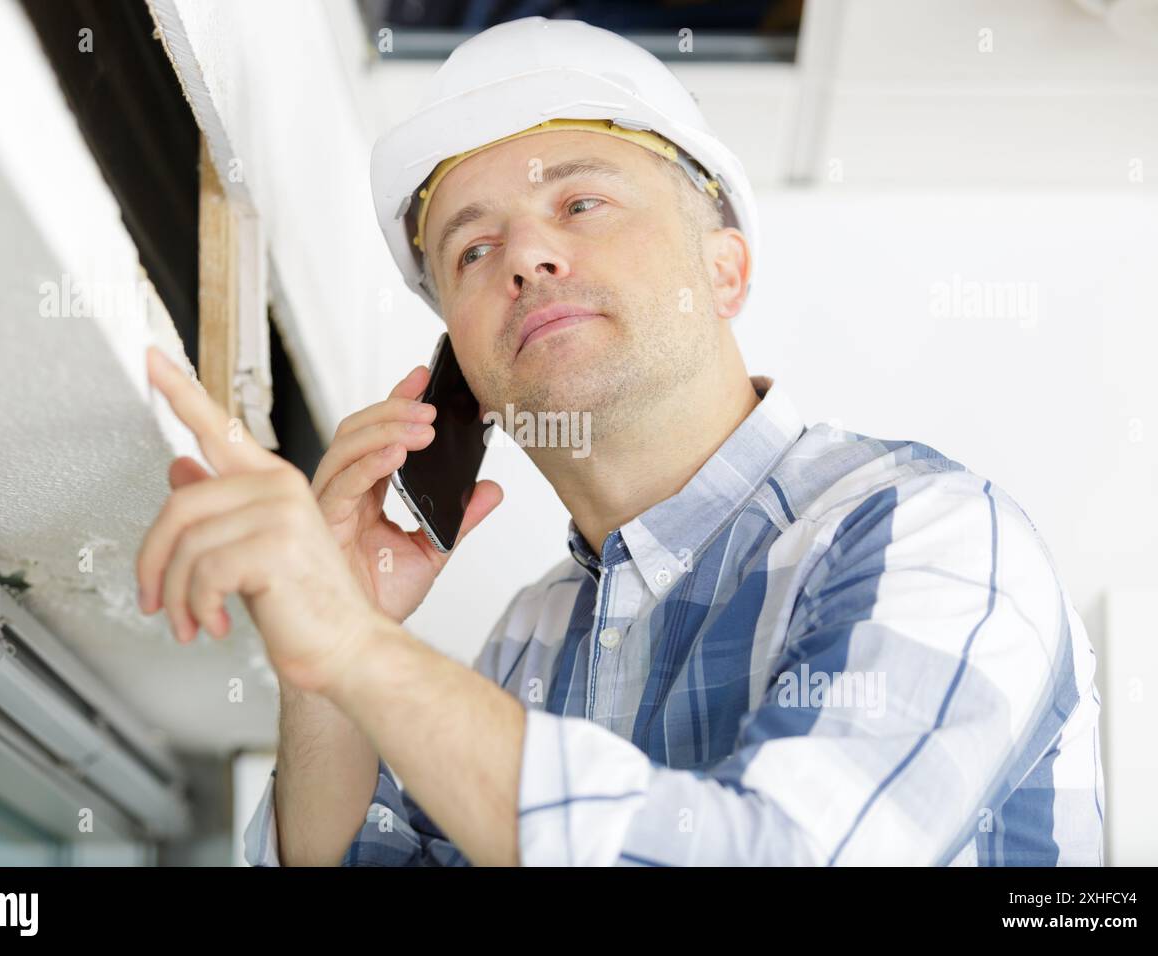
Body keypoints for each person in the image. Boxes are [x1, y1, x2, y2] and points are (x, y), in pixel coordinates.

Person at [140, 17, 1103, 866]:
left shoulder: (931, 536)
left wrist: (355, 652)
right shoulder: (528, 640)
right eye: (471, 250)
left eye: (580, 204)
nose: (524, 255)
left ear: (723, 272)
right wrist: (329, 664)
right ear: (461, 370)